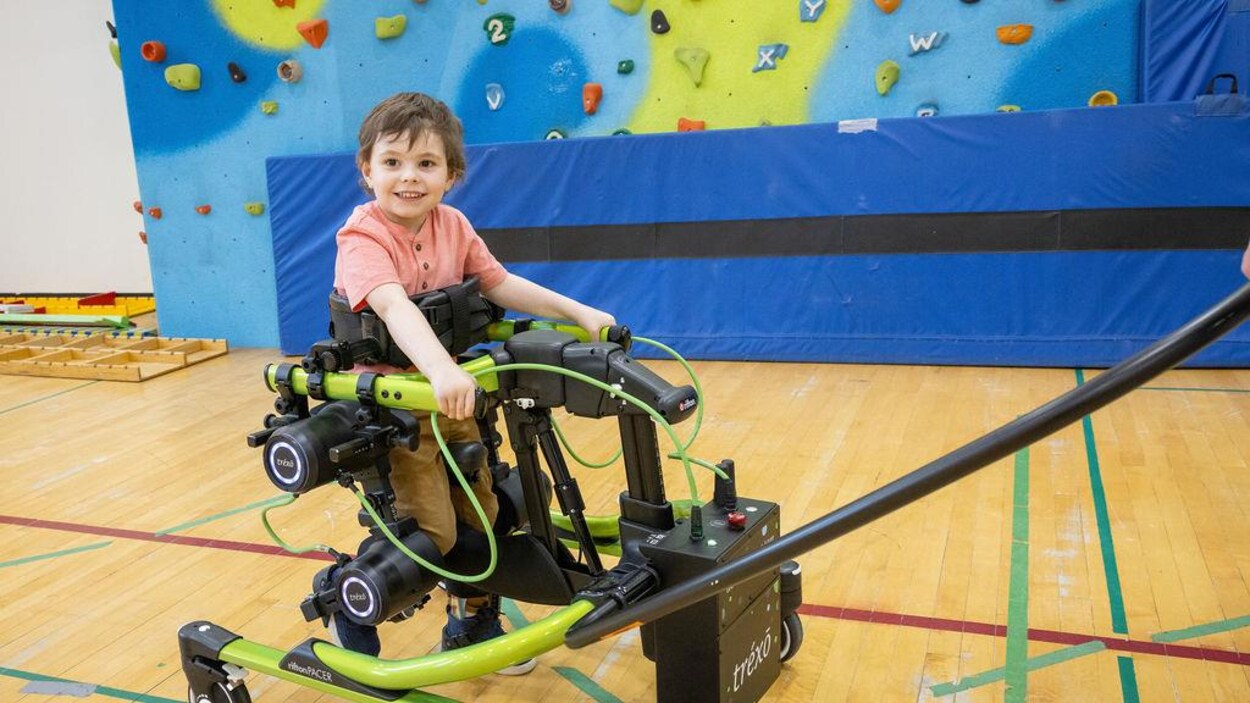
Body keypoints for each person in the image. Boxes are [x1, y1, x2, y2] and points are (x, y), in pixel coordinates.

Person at [328, 92, 615, 671]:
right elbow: (392, 307)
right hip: (398, 413)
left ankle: (471, 621)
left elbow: (499, 283)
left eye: (426, 164)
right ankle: (347, 598)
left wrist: (579, 312)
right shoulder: (362, 239)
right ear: (367, 171)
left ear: (451, 175)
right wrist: (438, 368)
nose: (409, 177)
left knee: (481, 517)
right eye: (392, 163)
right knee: (428, 530)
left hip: (456, 399)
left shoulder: (453, 225)